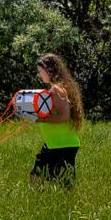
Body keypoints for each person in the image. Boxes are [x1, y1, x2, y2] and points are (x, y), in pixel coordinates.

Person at [30, 52, 84, 185]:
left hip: (62, 144)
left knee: (62, 184)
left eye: (40, 71)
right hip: (54, 143)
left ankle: (65, 204)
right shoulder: (58, 88)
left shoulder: (56, 89)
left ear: (48, 70)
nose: (39, 75)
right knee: (37, 176)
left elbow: (64, 117)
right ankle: (42, 202)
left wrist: (40, 119)